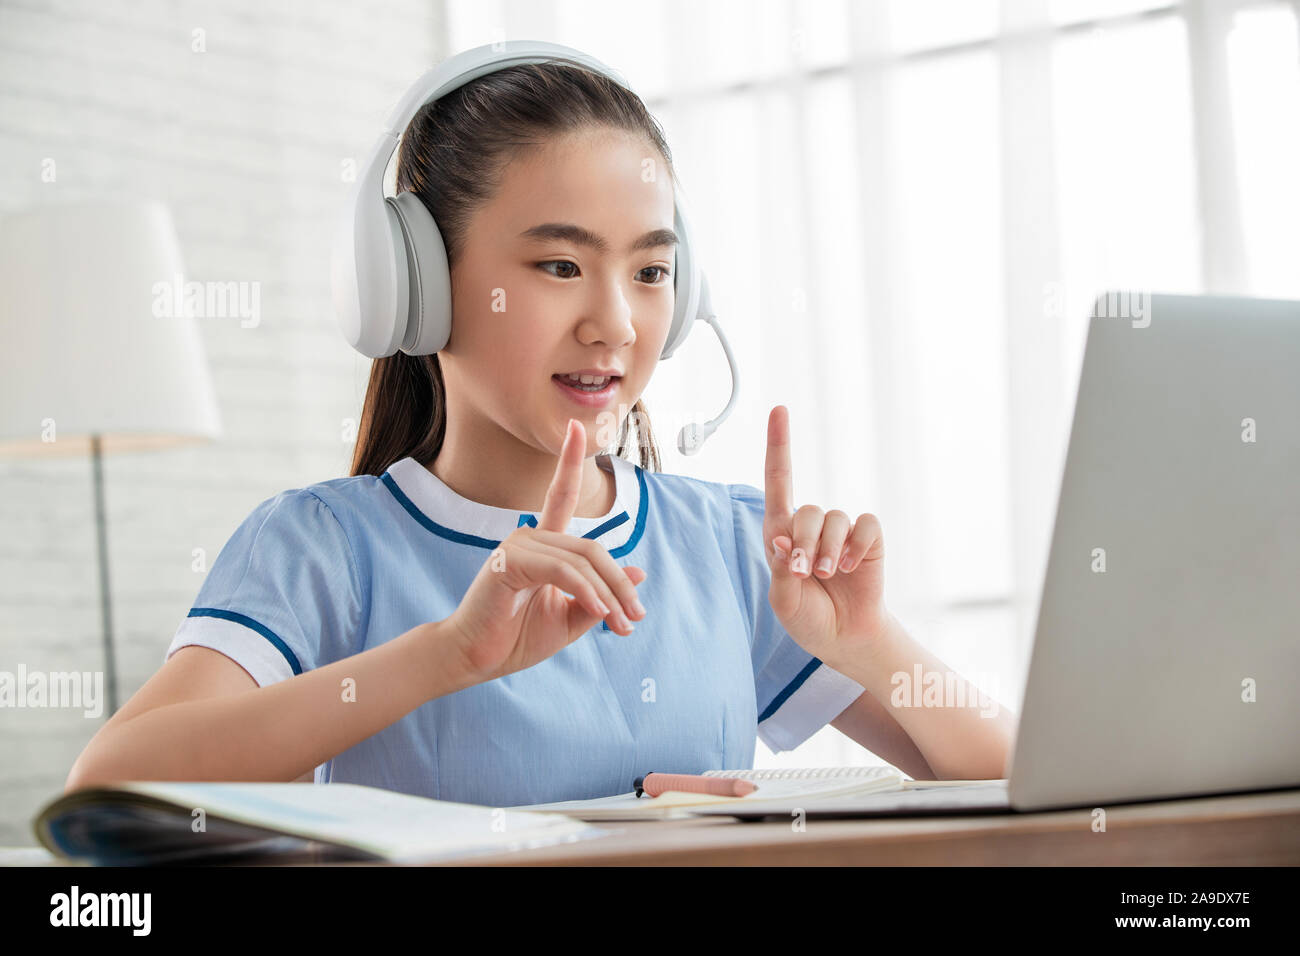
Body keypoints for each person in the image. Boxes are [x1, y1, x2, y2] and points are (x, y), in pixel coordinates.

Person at [65, 60, 1014, 806]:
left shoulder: (730, 548)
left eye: (649, 272)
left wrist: (871, 644)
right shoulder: (323, 551)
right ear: (418, 286)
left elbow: (1018, 786)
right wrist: (445, 657)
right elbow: (111, 789)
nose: (617, 323)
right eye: (561, 265)